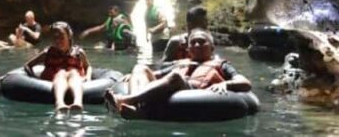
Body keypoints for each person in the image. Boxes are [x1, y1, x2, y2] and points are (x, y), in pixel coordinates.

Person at [105, 29, 252, 119]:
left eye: (201, 42)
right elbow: (156, 74)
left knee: (176, 76)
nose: (196, 45)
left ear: (212, 48)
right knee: (140, 67)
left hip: (195, 93)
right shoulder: (182, 63)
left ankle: (126, 100)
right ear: (188, 49)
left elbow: (245, 83)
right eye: (193, 43)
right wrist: (134, 75)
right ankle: (137, 110)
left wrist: (225, 83)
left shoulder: (221, 65)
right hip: (175, 87)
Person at [25, 22, 91, 113]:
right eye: (55, 38)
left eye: (61, 37)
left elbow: (88, 67)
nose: (58, 41)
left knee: (73, 73)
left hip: (75, 79)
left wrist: (88, 77)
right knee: (61, 73)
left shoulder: (78, 53)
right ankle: (60, 104)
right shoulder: (47, 52)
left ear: (69, 36)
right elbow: (28, 65)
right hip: (55, 80)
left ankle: (77, 103)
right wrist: (34, 80)